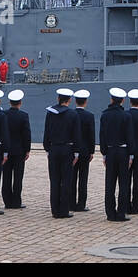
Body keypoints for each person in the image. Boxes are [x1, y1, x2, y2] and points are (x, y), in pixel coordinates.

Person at [43, 87, 82, 218]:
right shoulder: (73, 114)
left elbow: (46, 133)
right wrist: (76, 152)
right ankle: (64, 210)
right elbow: (77, 135)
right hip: (67, 149)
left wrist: (48, 149)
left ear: (58, 99)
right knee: (66, 181)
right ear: (69, 100)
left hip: (54, 149)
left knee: (54, 181)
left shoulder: (50, 113)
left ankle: (55, 210)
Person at [98, 87, 133, 221]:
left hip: (110, 151)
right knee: (123, 184)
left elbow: (102, 136)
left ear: (112, 99)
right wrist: (131, 154)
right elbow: (130, 137)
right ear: (122, 101)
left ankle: (110, 213)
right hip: (123, 151)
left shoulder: (105, 115)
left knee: (110, 183)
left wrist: (104, 154)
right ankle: (121, 213)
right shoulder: (126, 116)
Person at [1, 89, 32, 209]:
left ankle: (7, 201)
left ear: (10, 102)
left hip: (6, 150)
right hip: (19, 151)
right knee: (18, 177)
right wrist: (27, 150)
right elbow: (26, 134)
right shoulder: (23, 116)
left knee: (6, 177)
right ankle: (16, 202)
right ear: (20, 103)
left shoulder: (4, 115)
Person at [71, 89, 95, 212]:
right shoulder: (89, 116)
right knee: (83, 179)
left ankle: (71, 203)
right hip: (85, 151)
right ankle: (81, 204)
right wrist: (92, 151)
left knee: (71, 178)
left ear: (75, 101)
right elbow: (91, 135)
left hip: (72, 151)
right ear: (85, 102)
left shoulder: (70, 114)